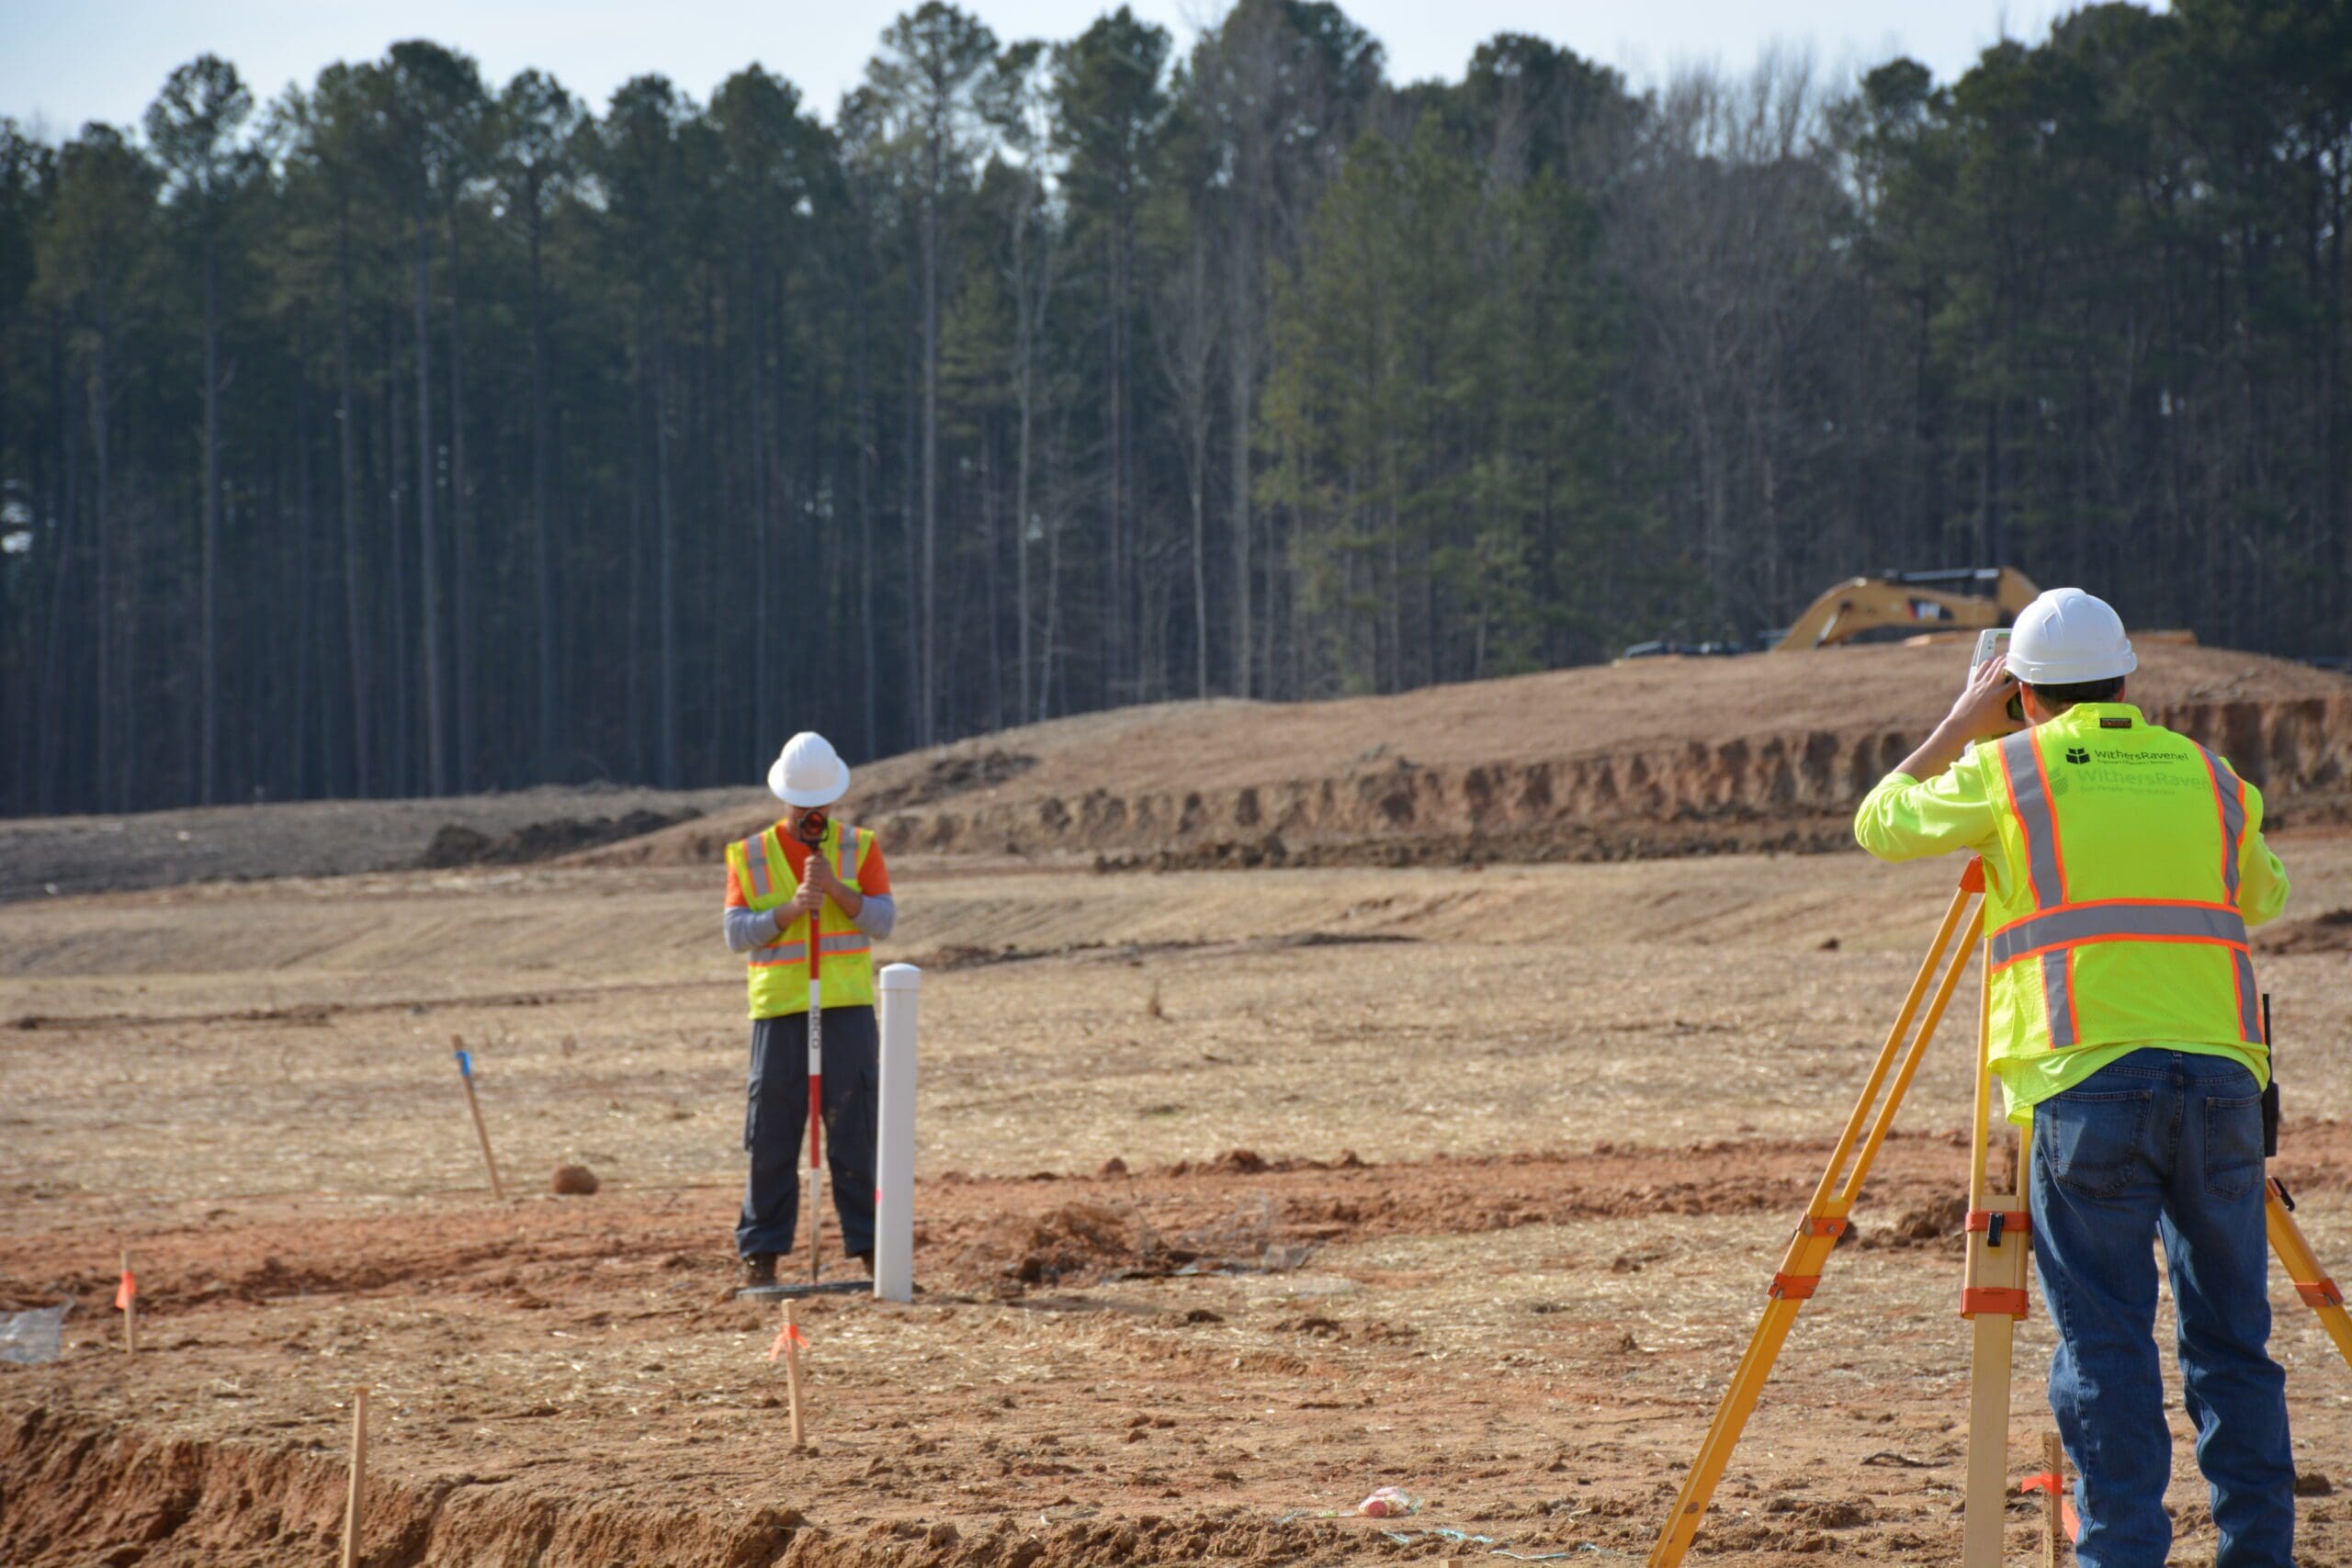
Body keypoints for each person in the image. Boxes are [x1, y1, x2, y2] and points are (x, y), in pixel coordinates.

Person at [1852, 587, 2294, 1568]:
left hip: (2084, 1084)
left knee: (2105, 1347)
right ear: (2129, 680)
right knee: (2232, 1348)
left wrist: (1961, 723)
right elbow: (2264, 892)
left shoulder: (2011, 772)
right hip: (2222, 1087)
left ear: (2018, 693)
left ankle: (2121, 1554)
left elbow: (1879, 822)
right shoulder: (2210, 776)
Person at [722, 730, 897, 1288]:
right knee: (771, 1134)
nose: (812, 816)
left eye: (820, 806)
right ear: (785, 799)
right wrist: (792, 908)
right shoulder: (748, 855)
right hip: (778, 1012)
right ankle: (761, 1257)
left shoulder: (859, 847)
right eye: (803, 807)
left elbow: (883, 920)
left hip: (845, 1008)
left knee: (855, 1131)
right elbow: (735, 933)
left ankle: (873, 1250)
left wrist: (839, 892)